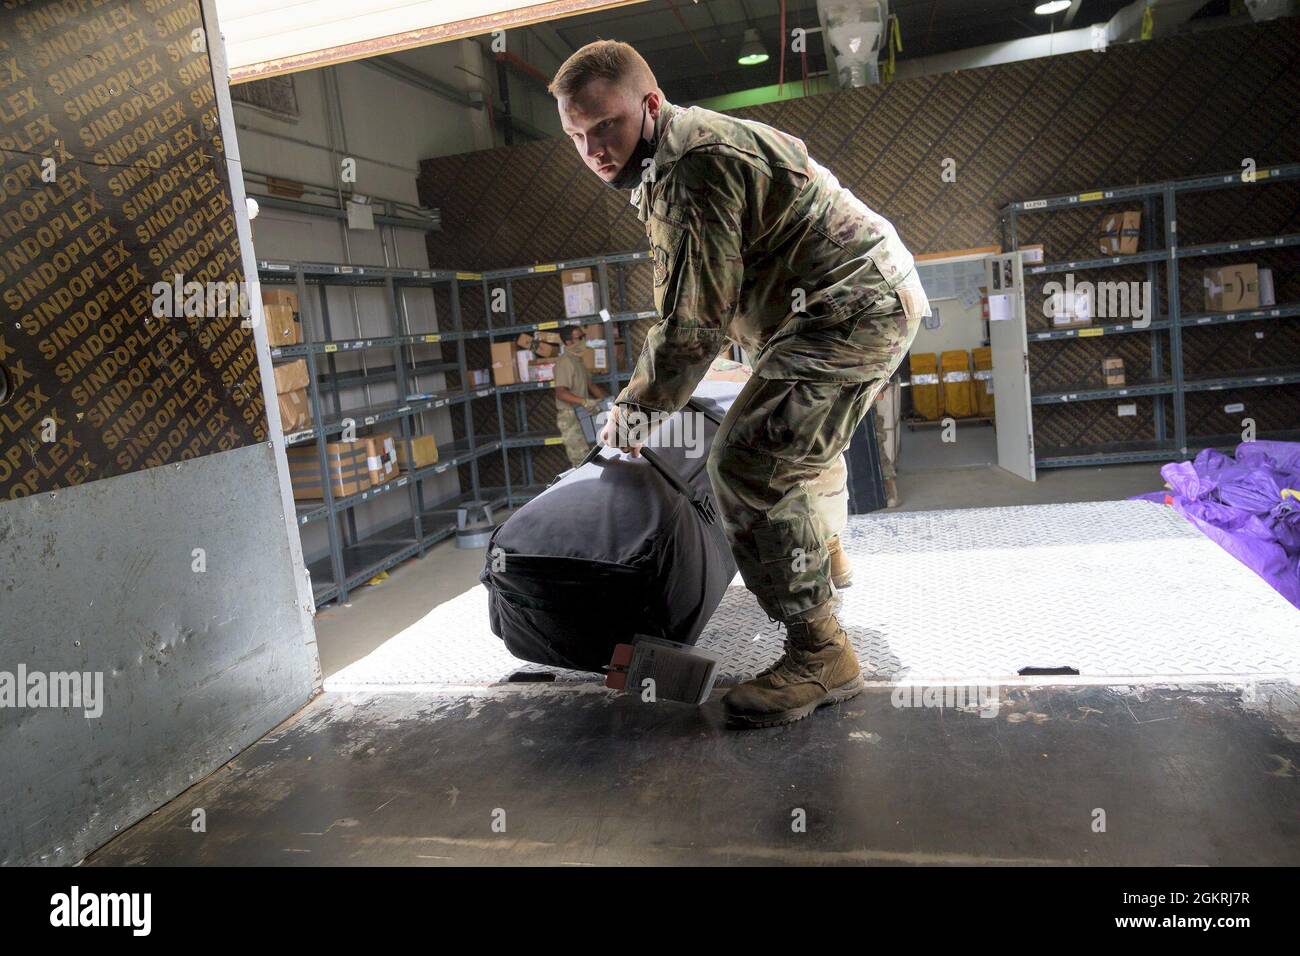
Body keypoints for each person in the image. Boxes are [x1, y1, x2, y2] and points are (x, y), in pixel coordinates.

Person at [551, 41, 929, 728]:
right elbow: (708, 295)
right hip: (827, 307)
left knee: (751, 461)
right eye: (577, 136)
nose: (593, 149)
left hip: (850, 307)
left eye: (604, 125)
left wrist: (635, 415)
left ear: (649, 103)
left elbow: (692, 321)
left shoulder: (692, 164)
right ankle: (822, 559)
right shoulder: (667, 160)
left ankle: (821, 655)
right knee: (790, 437)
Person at [553, 325, 608, 468]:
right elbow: (560, 392)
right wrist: (584, 401)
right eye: (580, 338)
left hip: (583, 413)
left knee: (592, 454)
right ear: (568, 342)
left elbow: (590, 385)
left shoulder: (578, 360)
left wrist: (609, 402)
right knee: (580, 460)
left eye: (584, 337)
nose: (584, 340)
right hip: (570, 416)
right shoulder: (564, 362)